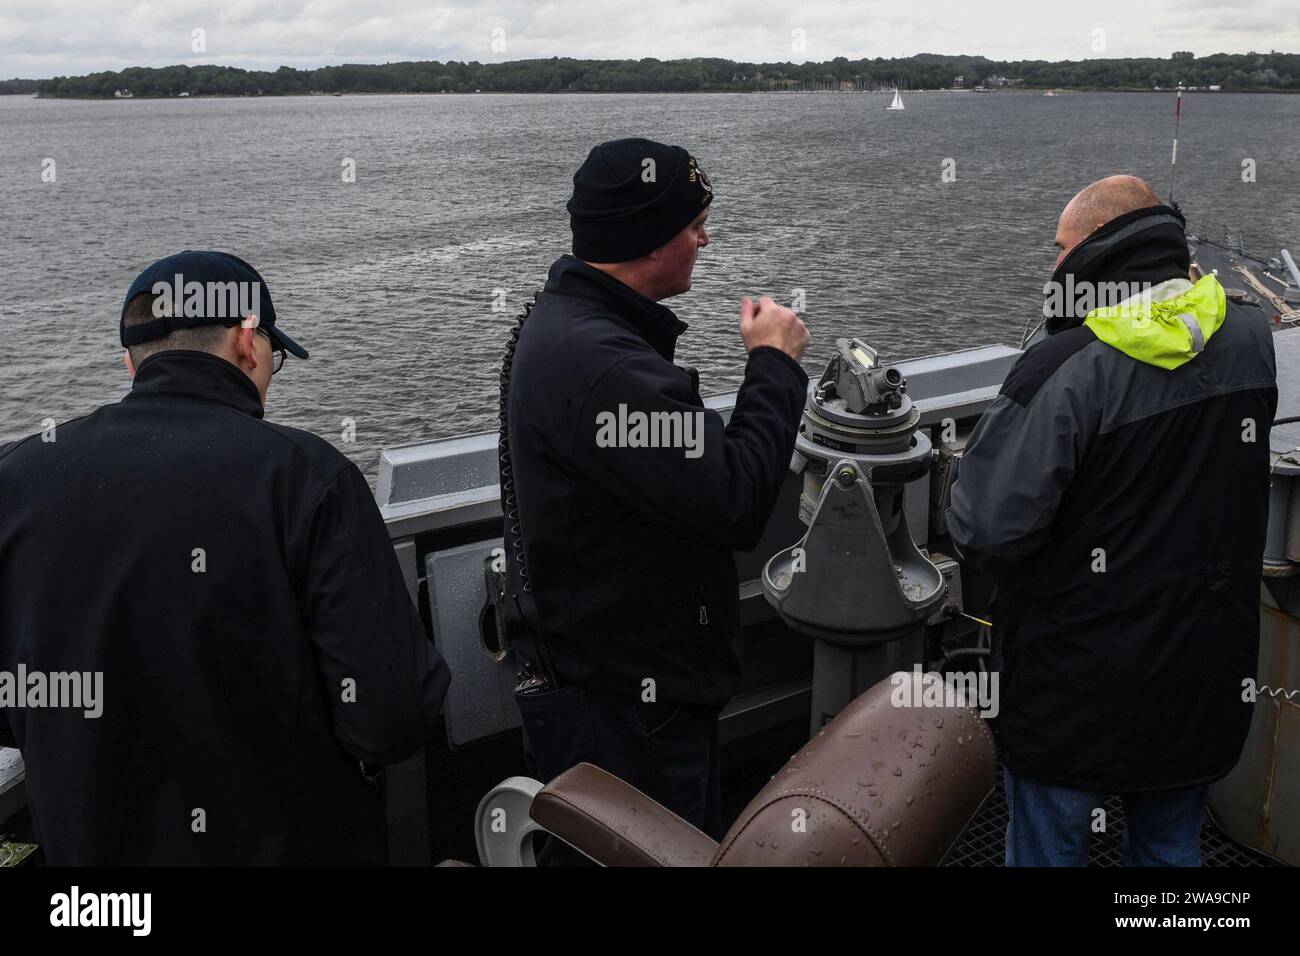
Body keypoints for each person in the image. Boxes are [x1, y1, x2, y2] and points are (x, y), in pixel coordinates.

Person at [0, 250, 450, 864]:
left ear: (130, 363)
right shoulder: (304, 476)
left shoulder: (17, 478)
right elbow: (392, 718)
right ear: (246, 341)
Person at [946, 176, 1278, 866]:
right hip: (1204, 676)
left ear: (1096, 255)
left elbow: (988, 530)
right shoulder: (1250, 335)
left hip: (1078, 691)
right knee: (1169, 851)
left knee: (1050, 849)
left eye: (1061, 249)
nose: (1053, 267)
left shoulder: (1063, 368)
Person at [500, 138, 809, 862]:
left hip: (608, 685)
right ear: (648, 238)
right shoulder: (606, 366)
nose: (705, 237)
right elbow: (734, 498)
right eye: (694, 222)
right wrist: (773, 364)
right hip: (628, 715)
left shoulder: (571, 328)